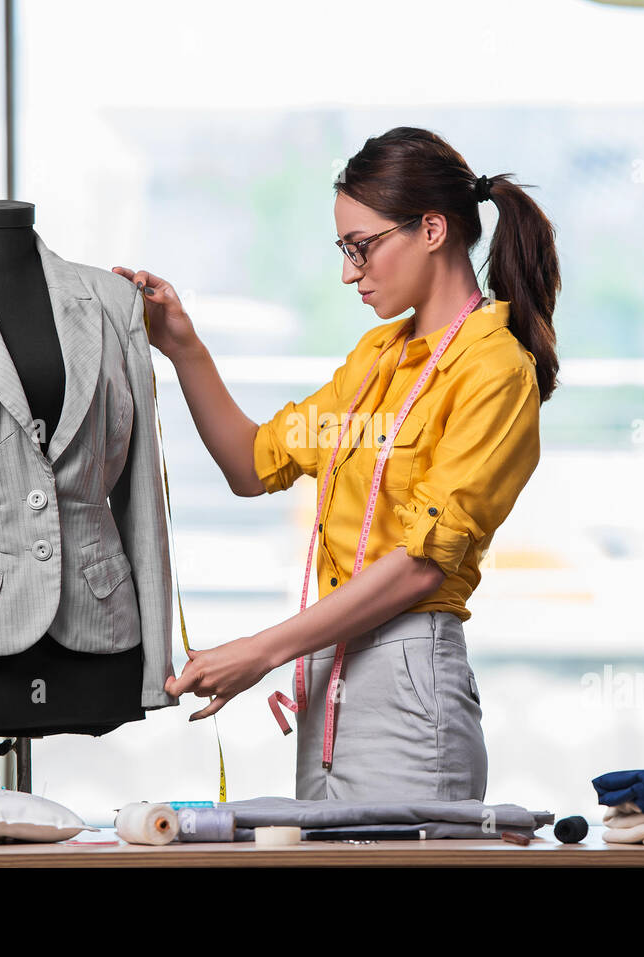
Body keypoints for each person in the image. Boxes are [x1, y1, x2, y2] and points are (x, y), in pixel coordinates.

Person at [112, 126, 560, 802]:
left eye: (363, 246)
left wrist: (261, 650)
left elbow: (420, 564)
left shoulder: (495, 369)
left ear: (433, 229)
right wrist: (183, 345)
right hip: (328, 674)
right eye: (344, 249)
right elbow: (250, 463)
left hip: (409, 678)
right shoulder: (377, 358)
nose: (350, 271)